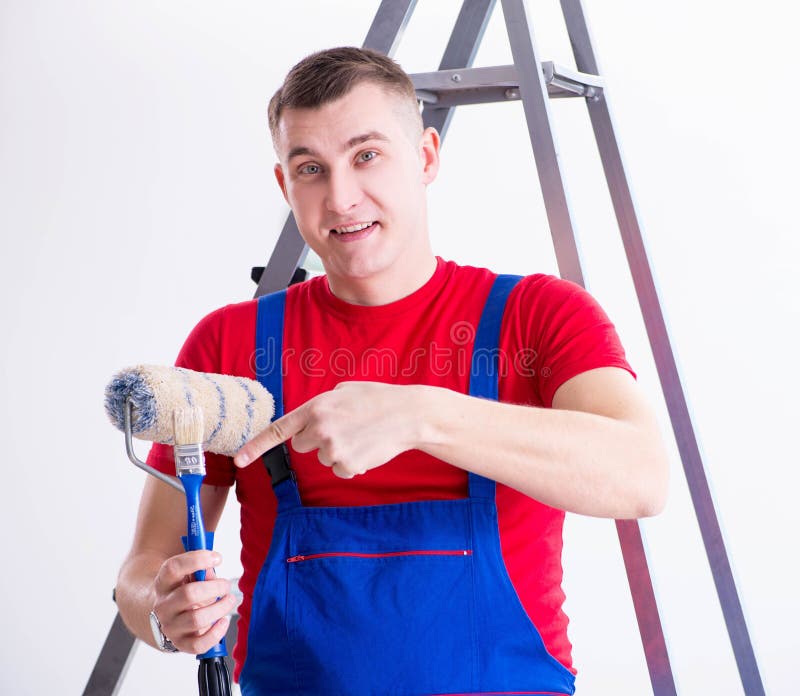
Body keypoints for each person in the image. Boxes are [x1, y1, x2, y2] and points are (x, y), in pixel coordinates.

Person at [116, 46, 668, 695]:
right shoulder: (231, 343)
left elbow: (642, 476)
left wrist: (422, 416)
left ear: (427, 157)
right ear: (284, 185)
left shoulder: (537, 316)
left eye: (366, 155)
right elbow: (141, 570)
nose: (342, 197)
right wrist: (162, 610)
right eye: (311, 169)